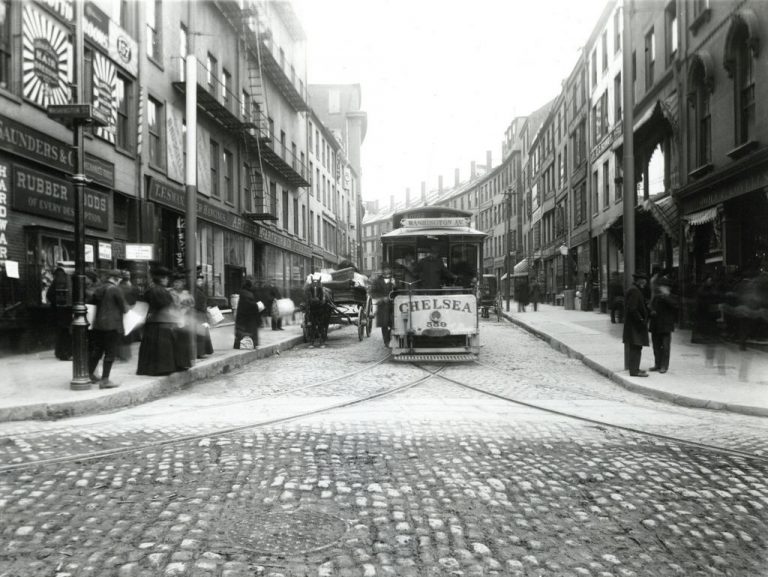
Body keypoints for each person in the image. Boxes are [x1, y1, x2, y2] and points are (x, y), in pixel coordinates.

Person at [137, 267, 186, 376]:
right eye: (166, 278)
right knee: (163, 347)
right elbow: (165, 305)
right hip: (161, 321)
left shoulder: (152, 289)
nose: (167, 280)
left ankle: (155, 368)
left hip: (154, 321)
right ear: (162, 279)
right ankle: (162, 368)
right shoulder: (159, 290)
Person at [88, 269, 129, 388]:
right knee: (110, 353)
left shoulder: (100, 288)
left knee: (97, 351)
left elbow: (92, 302)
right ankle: (105, 380)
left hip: (98, 325)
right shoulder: (115, 289)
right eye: (120, 279)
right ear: (117, 279)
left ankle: (90, 374)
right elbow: (124, 308)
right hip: (112, 325)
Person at [623, 271, 651, 377]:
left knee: (636, 347)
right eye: (644, 281)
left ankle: (635, 368)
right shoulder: (635, 291)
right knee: (636, 347)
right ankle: (634, 371)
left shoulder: (634, 289)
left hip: (633, 325)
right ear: (639, 281)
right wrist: (641, 320)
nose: (645, 283)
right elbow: (633, 308)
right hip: (635, 326)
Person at [648, 276, 679, 374]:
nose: (661, 289)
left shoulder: (672, 297)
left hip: (666, 326)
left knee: (665, 347)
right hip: (656, 325)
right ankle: (657, 364)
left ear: (667, 288)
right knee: (656, 346)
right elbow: (650, 306)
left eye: (663, 287)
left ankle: (664, 366)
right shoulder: (656, 297)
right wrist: (651, 311)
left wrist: (665, 296)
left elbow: (675, 306)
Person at [169, 272, 195, 368]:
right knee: (175, 342)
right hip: (173, 320)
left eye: (179, 282)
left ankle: (184, 363)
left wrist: (185, 310)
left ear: (183, 283)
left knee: (184, 342)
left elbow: (191, 306)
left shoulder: (187, 294)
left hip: (184, 320)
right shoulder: (170, 293)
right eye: (175, 282)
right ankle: (175, 363)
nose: (176, 284)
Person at [46, 266, 72, 361]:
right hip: (64, 311)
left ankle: (59, 352)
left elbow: (49, 295)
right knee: (65, 332)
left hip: (58, 311)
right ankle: (64, 354)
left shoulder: (55, 283)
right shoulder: (64, 283)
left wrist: (55, 303)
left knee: (61, 332)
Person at [370, 265, 395, 346]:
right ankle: (386, 341)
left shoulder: (394, 279)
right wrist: (381, 298)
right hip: (382, 305)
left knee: (393, 323)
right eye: (385, 269)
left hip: (392, 305)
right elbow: (372, 292)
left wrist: (395, 285)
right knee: (384, 324)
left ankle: (389, 335)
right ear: (382, 270)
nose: (386, 271)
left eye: (388, 269)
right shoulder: (377, 280)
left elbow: (398, 290)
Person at [117, 270, 140, 361]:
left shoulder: (119, 287)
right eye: (126, 274)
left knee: (123, 333)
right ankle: (124, 355)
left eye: (128, 274)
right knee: (126, 333)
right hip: (127, 310)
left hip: (125, 310)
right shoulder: (129, 287)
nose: (128, 275)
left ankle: (122, 354)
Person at [234, 276, 262, 349]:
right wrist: (256, 306)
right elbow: (249, 304)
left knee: (243, 331)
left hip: (244, 317)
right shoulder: (247, 293)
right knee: (248, 331)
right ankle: (249, 344)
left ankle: (243, 344)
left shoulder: (245, 293)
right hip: (248, 317)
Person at [194, 272, 214, 359]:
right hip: (198, 314)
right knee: (200, 333)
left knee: (202, 333)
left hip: (201, 313)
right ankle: (199, 352)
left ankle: (201, 351)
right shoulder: (196, 291)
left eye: (201, 280)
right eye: (198, 280)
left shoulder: (200, 290)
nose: (200, 282)